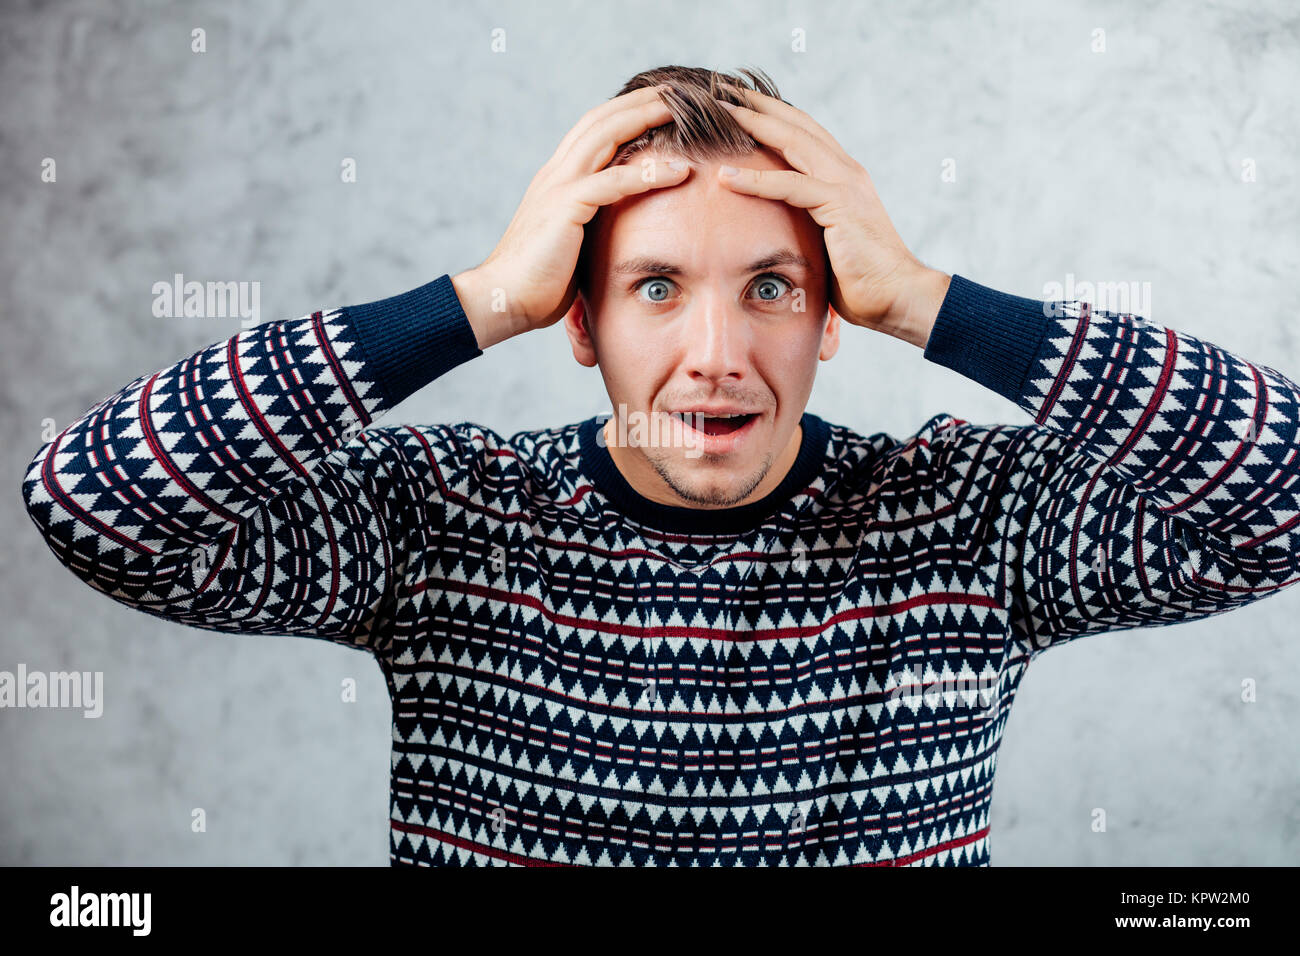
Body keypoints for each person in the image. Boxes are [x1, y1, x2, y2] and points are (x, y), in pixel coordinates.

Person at [21, 65, 1300, 866]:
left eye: (771, 287)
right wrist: (470, 303)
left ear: (830, 318)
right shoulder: (449, 519)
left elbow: (1279, 501)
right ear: (576, 323)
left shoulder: (968, 520)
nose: (716, 353)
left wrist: (934, 300)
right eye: (653, 288)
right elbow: (93, 500)